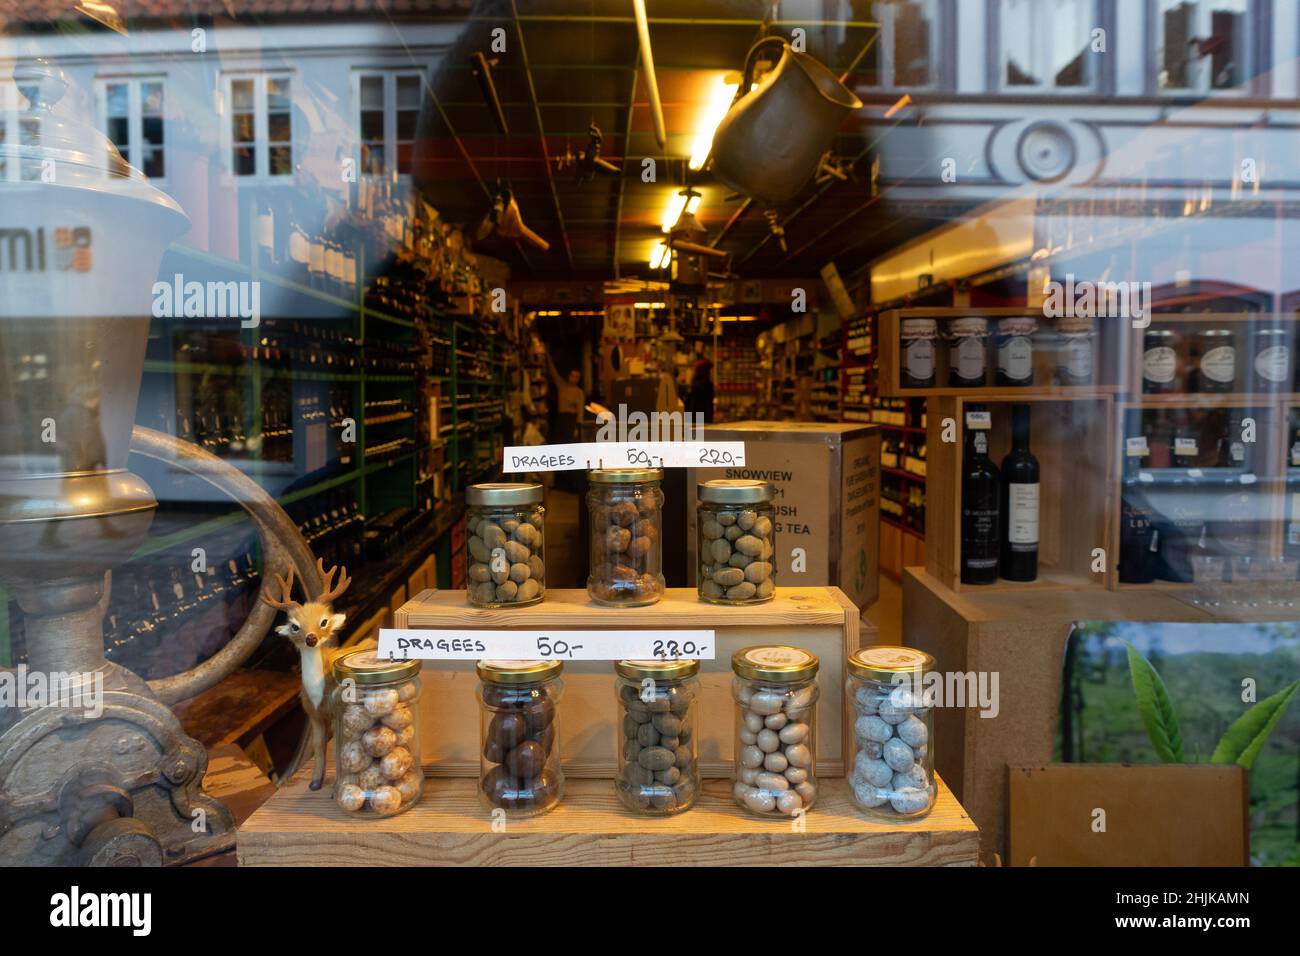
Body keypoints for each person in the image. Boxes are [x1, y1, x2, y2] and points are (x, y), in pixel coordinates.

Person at [685, 357, 715, 424]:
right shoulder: (707, 384)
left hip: (694, 419)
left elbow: (689, 405)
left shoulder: (694, 385)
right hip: (703, 419)